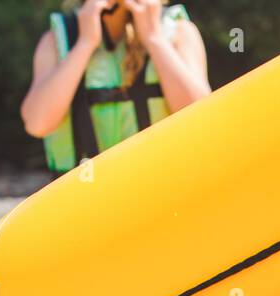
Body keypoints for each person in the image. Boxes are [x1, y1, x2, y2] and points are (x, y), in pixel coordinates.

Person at [21, 0, 210, 175]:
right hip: (85, 196)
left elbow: (202, 119)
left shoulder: (179, 32)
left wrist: (155, 39)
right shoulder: (56, 40)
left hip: (161, 192)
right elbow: (38, 123)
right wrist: (85, 44)